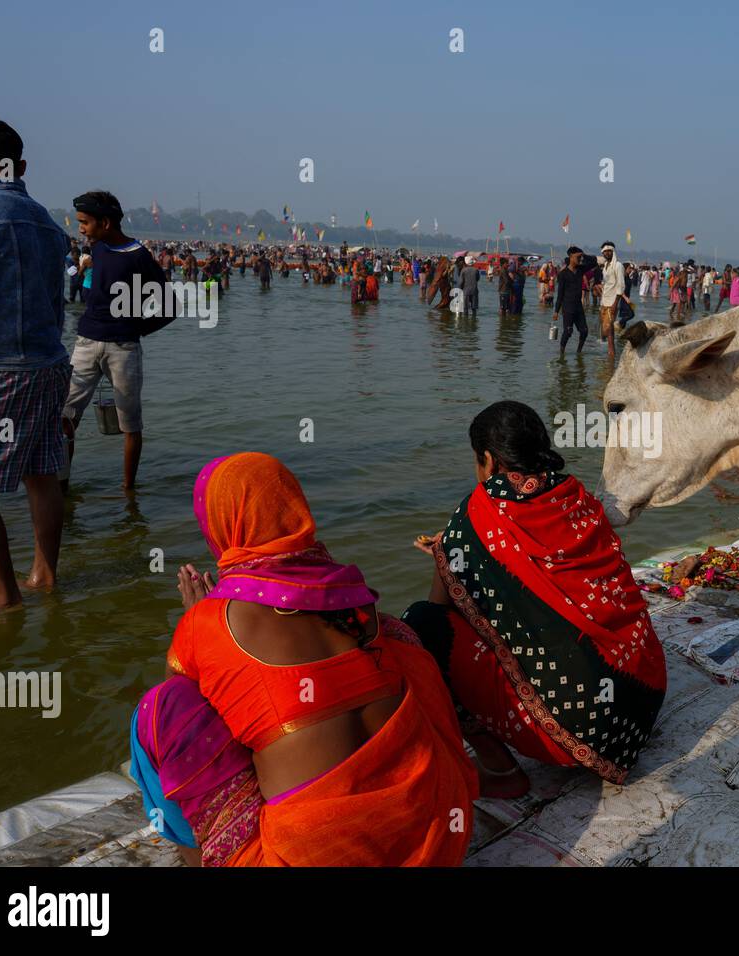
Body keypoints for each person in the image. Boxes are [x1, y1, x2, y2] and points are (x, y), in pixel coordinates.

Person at [136, 452, 478, 865]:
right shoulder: (356, 598)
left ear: (222, 526)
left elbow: (186, 705)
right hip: (434, 846)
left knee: (163, 707)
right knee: (400, 640)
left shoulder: (208, 621)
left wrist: (198, 615)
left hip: (308, 855)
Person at [405, 402, 666, 798]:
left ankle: (500, 769)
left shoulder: (478, 512)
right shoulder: (576, 495)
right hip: (637, 706)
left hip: (579, 730)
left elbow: (441, 605)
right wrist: (458, 549)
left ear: (489, 460)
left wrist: (448, 558)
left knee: (420, 626)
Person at [0, 113, 72, 620]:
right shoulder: (48, 224)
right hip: (51, 362)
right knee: (41, 471)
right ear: (19, 166)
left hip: (1, 369)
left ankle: (2, 597)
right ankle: (43, 575)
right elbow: (57, 303)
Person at [60, 190, 175, 492]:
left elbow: (170, 305)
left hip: (124, 348)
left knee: (130, 423)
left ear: (106, 223)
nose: (81, 228)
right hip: (85, 342)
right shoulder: (95, 249)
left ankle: (128, 490)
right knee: (64, 418)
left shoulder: (138, 256)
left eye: (85, 222)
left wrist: (138, 329)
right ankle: (61, 488)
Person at [553, 247, 594, 358]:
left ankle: (579, 352)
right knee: (568, 332)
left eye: (580, 257)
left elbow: (594, 261)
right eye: (577, 257)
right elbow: (560, 294)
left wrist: (584, 254)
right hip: (567, 307)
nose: (580, 259)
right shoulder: (563, 274)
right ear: (570, 257)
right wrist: (556, 311)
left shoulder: (581, 270)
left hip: (578, 307)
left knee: (584, 331)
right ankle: (561, 353)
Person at [596, 242, 628, 367]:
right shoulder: (605, 266)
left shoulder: (618, 265)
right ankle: (611, 355)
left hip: (612, 303)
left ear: (613, 252)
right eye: (605, 251)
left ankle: (612, 358)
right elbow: (607, 284)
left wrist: (616, 303)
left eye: (609, 251)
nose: (607, 253)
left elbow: (621, 285)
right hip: (604, 301)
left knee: (609, 331)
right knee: (605, 332)